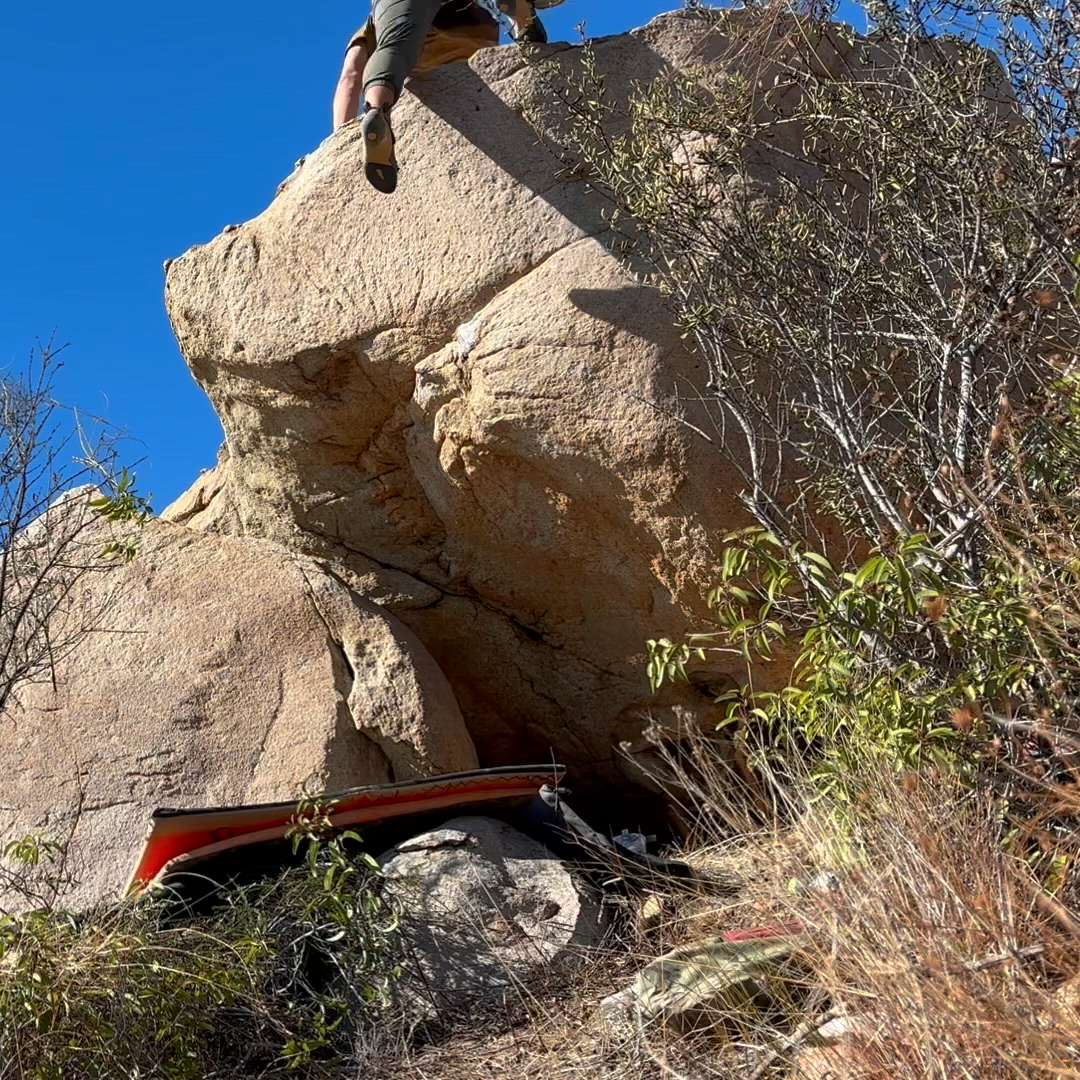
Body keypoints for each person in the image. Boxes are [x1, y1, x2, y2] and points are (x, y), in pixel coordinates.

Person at [333, 1, 548, 194]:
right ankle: (522, 18)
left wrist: (340, 143)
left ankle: (377, 108)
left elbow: (351, 75)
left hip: (411, 24)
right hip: (473, 23)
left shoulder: (373, 24)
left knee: (393, 46)